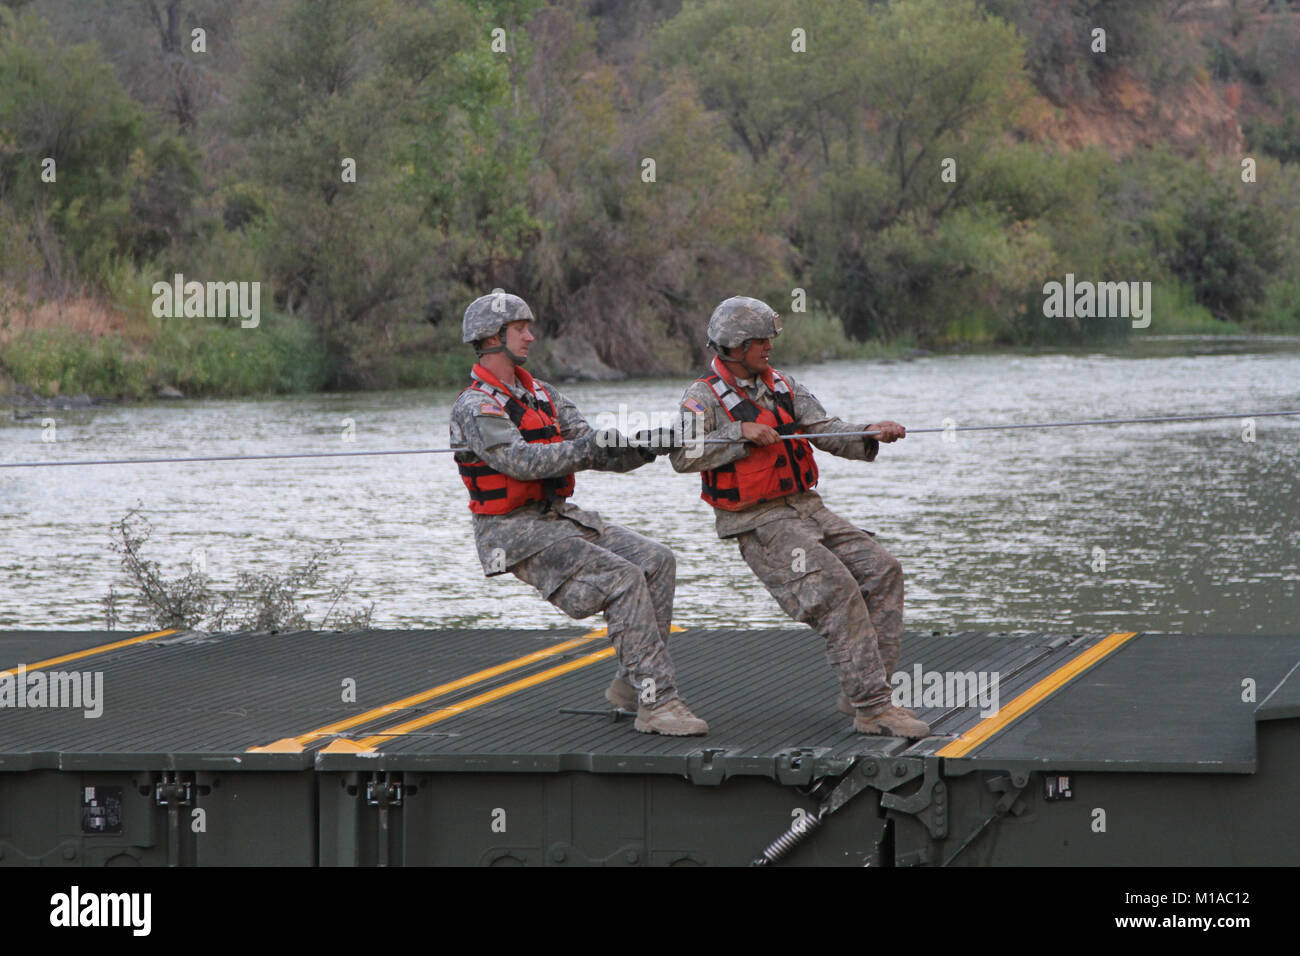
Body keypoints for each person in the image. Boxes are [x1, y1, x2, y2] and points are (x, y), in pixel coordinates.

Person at [669, 296, 929, 738]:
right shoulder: (701, 397)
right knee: (836, 588)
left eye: (769, 338)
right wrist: (738, 433)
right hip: (759, 521)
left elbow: (825, 430)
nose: (769, 346)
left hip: (807, 507)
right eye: (759, 341)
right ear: (734, 346)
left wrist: (869, 433)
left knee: (884, 570)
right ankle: (873, 708)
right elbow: (682, 455)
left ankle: (863, 688)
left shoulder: (784, 385)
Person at [450, 291, 708, 736]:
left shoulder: (542, 394)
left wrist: (652, 443)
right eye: (521, 329)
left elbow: (592, 446)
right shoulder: (477, 407)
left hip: (559, 518)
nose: (531, 336)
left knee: (656, 561)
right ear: (493, 338)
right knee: (622, 578)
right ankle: (657, 704)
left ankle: (631, 685)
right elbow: (520, 462)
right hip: (512, 532)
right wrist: (589, 448)